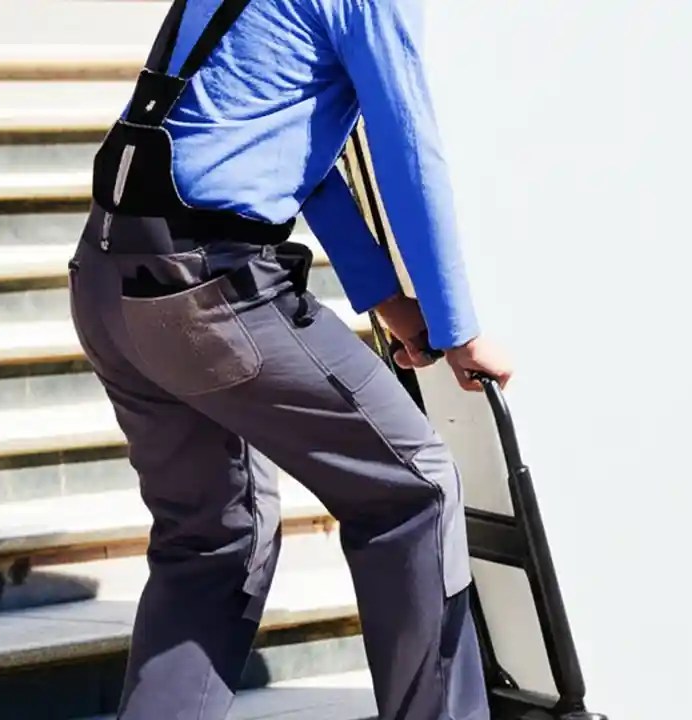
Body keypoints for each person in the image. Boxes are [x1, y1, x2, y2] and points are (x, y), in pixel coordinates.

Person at [67, 0, 510, 718]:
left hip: (106, 279)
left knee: (214, 538)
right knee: (417, 493)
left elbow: (305, 155)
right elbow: (407, 146)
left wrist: (388, 300)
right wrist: (456, 325)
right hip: (210, 292)